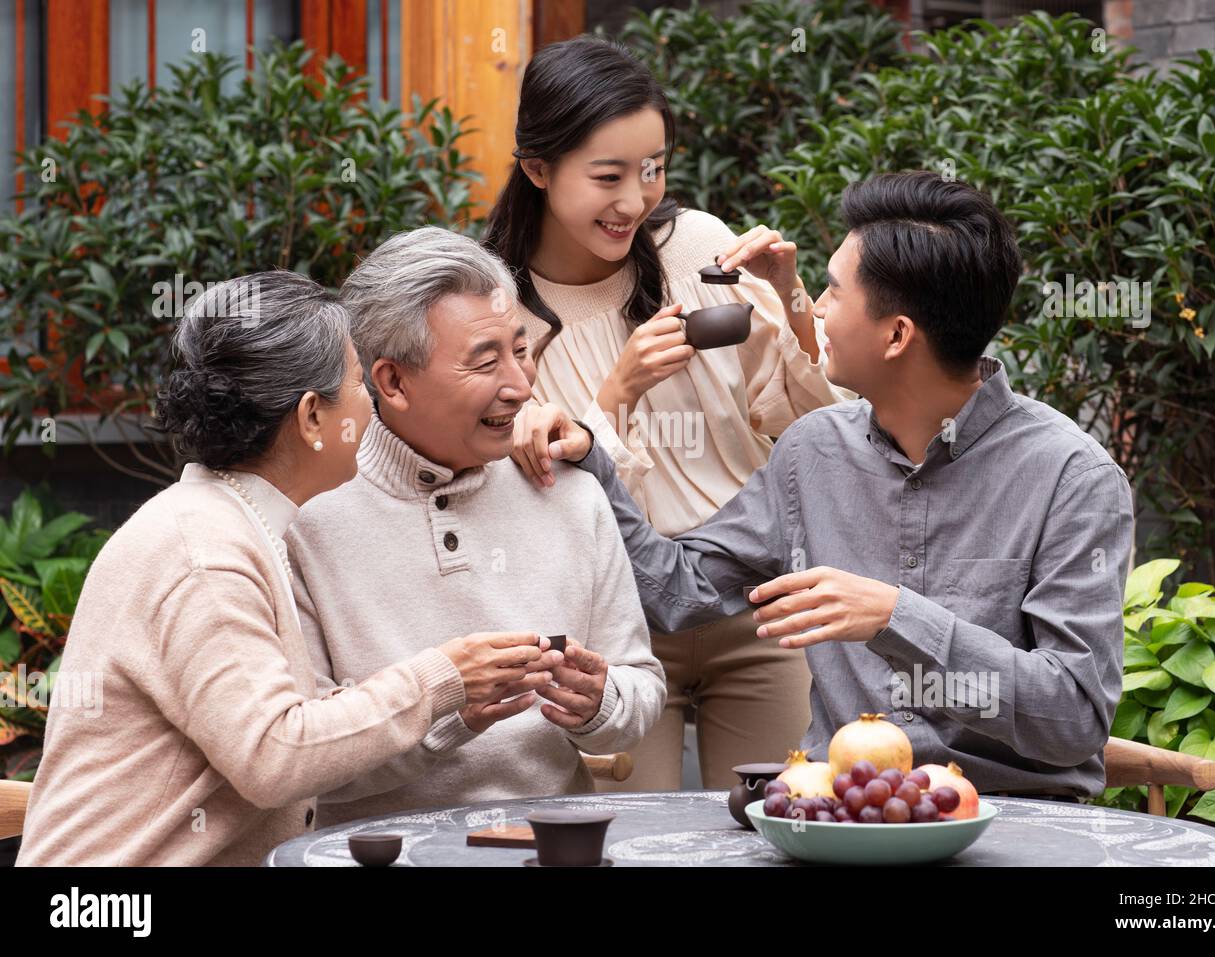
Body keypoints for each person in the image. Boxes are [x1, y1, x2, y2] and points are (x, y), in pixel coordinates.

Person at [530, 172, 1135, 799]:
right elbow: (679, 591)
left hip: (1010, 823)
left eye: (834, 293)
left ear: (897, 335)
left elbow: (1073, 721)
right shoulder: (814, 452)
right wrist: (594, 460)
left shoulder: (1072, 478)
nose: (814, 308)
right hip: (842, 819)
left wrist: (896, 618)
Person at [16, 271, 552, 866]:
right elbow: (275, 756)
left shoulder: (229, 522)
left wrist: (452, 712)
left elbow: (289, 745)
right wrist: (440, 678)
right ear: (311, 418)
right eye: (356, 384)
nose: (371, 408)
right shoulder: (205, 555)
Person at [488, 35, 851, 791]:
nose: (635, 199)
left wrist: (789, 296)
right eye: (608, 176)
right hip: (611, 629)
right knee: (624, 840)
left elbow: (814, 420)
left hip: (754, 603)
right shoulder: (499, 311)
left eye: (652, 169)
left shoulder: (697, 248)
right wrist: (618, 390)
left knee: (780, 822)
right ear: (537, 169)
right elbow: (541, 497)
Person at [283, 226, 665, 827]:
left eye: (521, 349)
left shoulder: (570, 492)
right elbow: (299, 754)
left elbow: (641, 684)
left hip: (551, 846)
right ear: (392, 382)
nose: (520, 385)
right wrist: (451, 709)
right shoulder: (310, 517)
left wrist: (600, 703)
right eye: (486, 362)